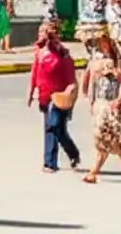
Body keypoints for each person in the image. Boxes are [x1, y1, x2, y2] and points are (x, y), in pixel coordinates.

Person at [81, 26, 121, 183]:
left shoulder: (118, 62)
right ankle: (96, 170)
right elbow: (89, 79)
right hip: (100, 104)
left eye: (105, 43)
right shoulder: (95, 61)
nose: (102, 46)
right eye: (100, 43)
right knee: (101, 138)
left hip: (112, 105)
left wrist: (120, 102)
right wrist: (89, 98)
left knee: (116, 139)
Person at [27, 21, 80, 172]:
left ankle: (50, 163)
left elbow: (71, 78)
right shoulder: (39, 52)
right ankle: (71, 154)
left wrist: (70, 91)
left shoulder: (63, 53)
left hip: (59, 96)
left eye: (47, 32)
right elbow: (34, 74)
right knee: (55, 129)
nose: (44, 35)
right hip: (44, 95)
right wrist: (30, 93)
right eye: (42, 31)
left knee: (53, 126)